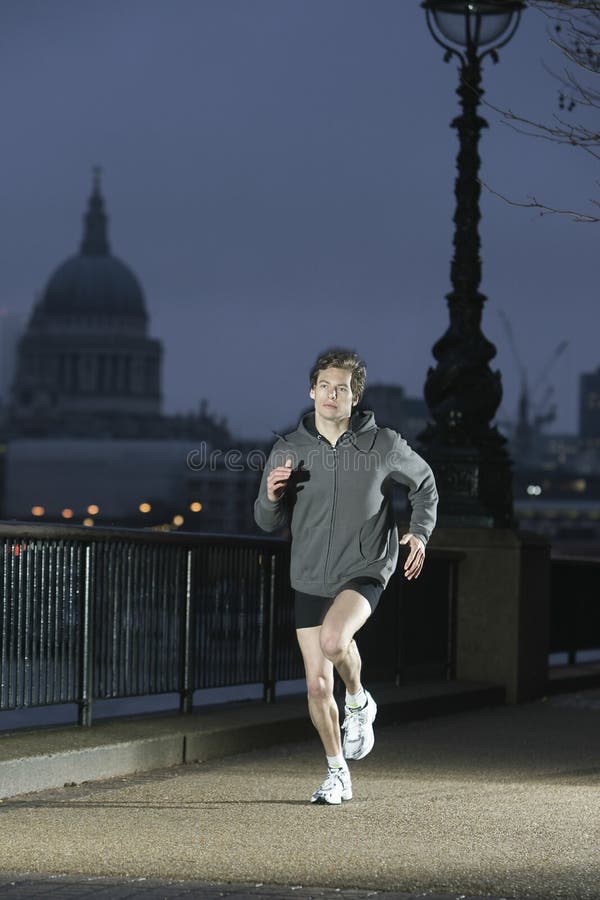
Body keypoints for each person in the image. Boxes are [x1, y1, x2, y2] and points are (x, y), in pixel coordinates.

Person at [254, 348, 438, 805]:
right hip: (310, 574)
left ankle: (357, 699)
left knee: (335, 641)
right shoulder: (288, 450)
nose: (331, 396)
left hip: (365, 567)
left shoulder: (384, 445)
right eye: (324, 387)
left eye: (342, 389)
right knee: (317, 683)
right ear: (311, 391)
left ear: (355, 397)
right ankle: (337, 773)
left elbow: (425, 483)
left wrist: (418, 533)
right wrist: (273, 496)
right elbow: (265, 521)